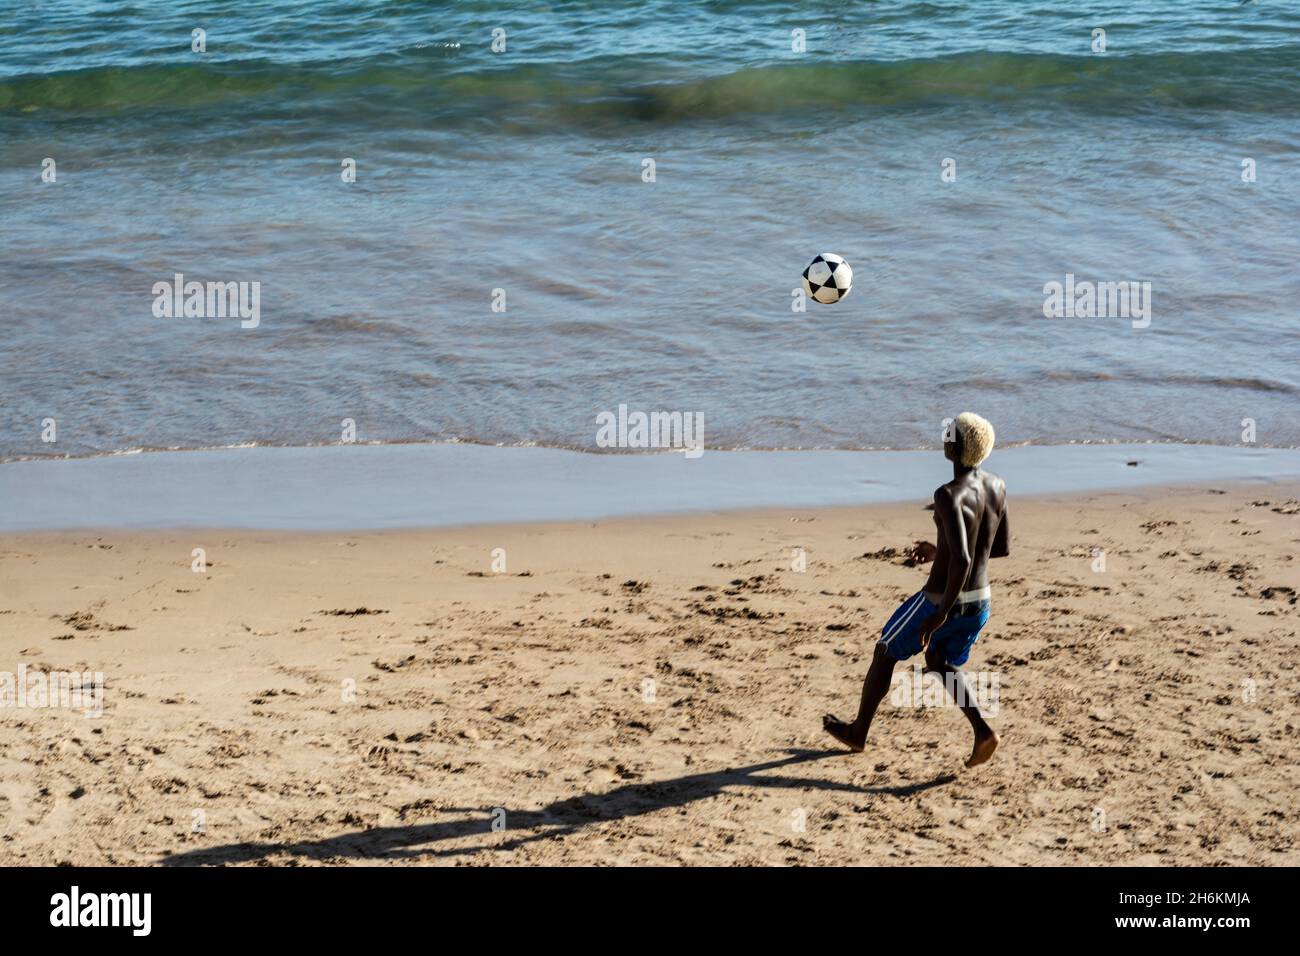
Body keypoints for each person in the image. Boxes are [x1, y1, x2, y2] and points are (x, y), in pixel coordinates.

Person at [822, 412, 1009, 767]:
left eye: (949, 433)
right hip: (980, 602)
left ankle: (858, 733)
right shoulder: (997, 485)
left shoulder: (947, 494)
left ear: (956, 446)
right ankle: (984, 732)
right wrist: (941, 552)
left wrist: (938, 615)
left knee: (885, 650)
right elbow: (995, 549)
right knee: (939, 660)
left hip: (942, 600)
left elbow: (965, 558)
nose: (944, 436)